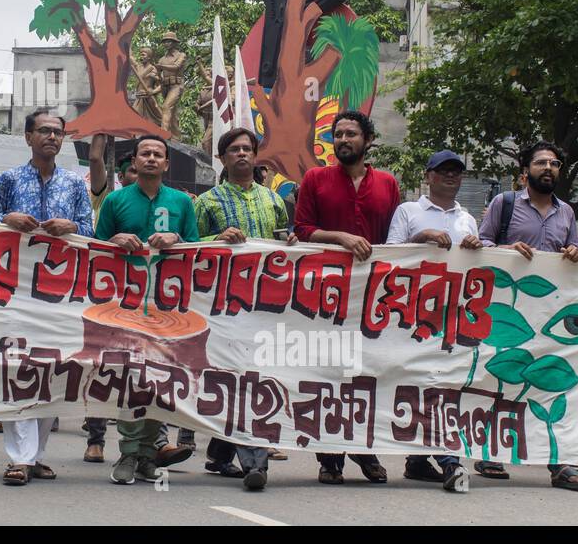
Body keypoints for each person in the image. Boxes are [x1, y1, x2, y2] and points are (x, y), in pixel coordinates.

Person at [0, 110, 93, 486]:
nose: (51, 137)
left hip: (61, 294)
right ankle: (18, 458)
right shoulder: (8, 179)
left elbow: (90, 232)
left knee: (53, 371)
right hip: (15, 290)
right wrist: (7, 219)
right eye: (43, 131)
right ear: (28, 137)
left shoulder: (76, 183)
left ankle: (36, 455)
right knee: (20, 370)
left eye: (57, 132)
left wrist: (73, 226)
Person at [293, 110, 400, 485]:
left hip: (373, 295)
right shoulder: (315, 178)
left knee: (368, 371)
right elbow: (302, 229)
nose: (342, 140)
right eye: (337, 134)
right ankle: (329, 457)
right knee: (329, 372)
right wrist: (340, 238)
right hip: (325, 294)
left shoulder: (387, 183)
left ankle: (364, 447)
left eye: (351, 134)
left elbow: (395, 239)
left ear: (367, 141)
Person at [477, 139, 578, 490]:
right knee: (503, 378)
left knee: (553, 383)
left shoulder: (567, 213)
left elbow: (577, 257)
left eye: (555, 164)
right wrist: (506, 249)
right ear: (525, 171)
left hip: (551, 314)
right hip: (511, 313)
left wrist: (574, 253)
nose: (549, 168)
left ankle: (559, 463)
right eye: (542, 163)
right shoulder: (505, 204)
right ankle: (490, 452)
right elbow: (479, 245)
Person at [95, 133, 199, 485]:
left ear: (166, 164)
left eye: (158, 154)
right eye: (145, 154)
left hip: (170, 309)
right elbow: (93, 250)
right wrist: (114, 240)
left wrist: (178, 240)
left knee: (161, 380)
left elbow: (198, 251)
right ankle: (127, 451)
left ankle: (147, 455)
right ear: (134, 162)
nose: (152, 159)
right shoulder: (115, 201)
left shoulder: (182, 203)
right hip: (125, 306)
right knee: (131, 379)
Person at [194, 127, 295, 491]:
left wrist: (293, 244)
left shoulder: (273, 202)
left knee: (256, 376)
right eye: (233, 149)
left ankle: (220, 454)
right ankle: (255, 462)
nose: (241, 154)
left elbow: (285, 243)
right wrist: (215, 239)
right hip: (224, 307)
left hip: (267, 305)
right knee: (243, 379)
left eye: (247, 149)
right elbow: (188, 248)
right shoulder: (206, 203)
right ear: (222, 158)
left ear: (256, 156)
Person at [385, 149, 482, 493]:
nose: (450, 177)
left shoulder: (468, 219)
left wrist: (477, 246)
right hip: (413, 314)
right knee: (423, 383)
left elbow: (481, 266)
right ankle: (449, 461)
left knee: (444, 385)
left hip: (453, 317)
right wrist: (420, 238)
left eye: (456, 171)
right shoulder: (409, 211)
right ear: (428, 176)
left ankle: (418, 460)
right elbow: (389, 255)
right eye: (443, 171)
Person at [82, 137, 139, 462]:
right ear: (121, 174)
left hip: (149, 299)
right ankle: (96, 439)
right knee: (103, 367)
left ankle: (147, 445)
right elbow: (94, 159)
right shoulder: (110, 198)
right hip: (109, 295)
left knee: (145, 369)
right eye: (129, 170)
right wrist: (103, 122)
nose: (135, 175)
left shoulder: (165, 201)